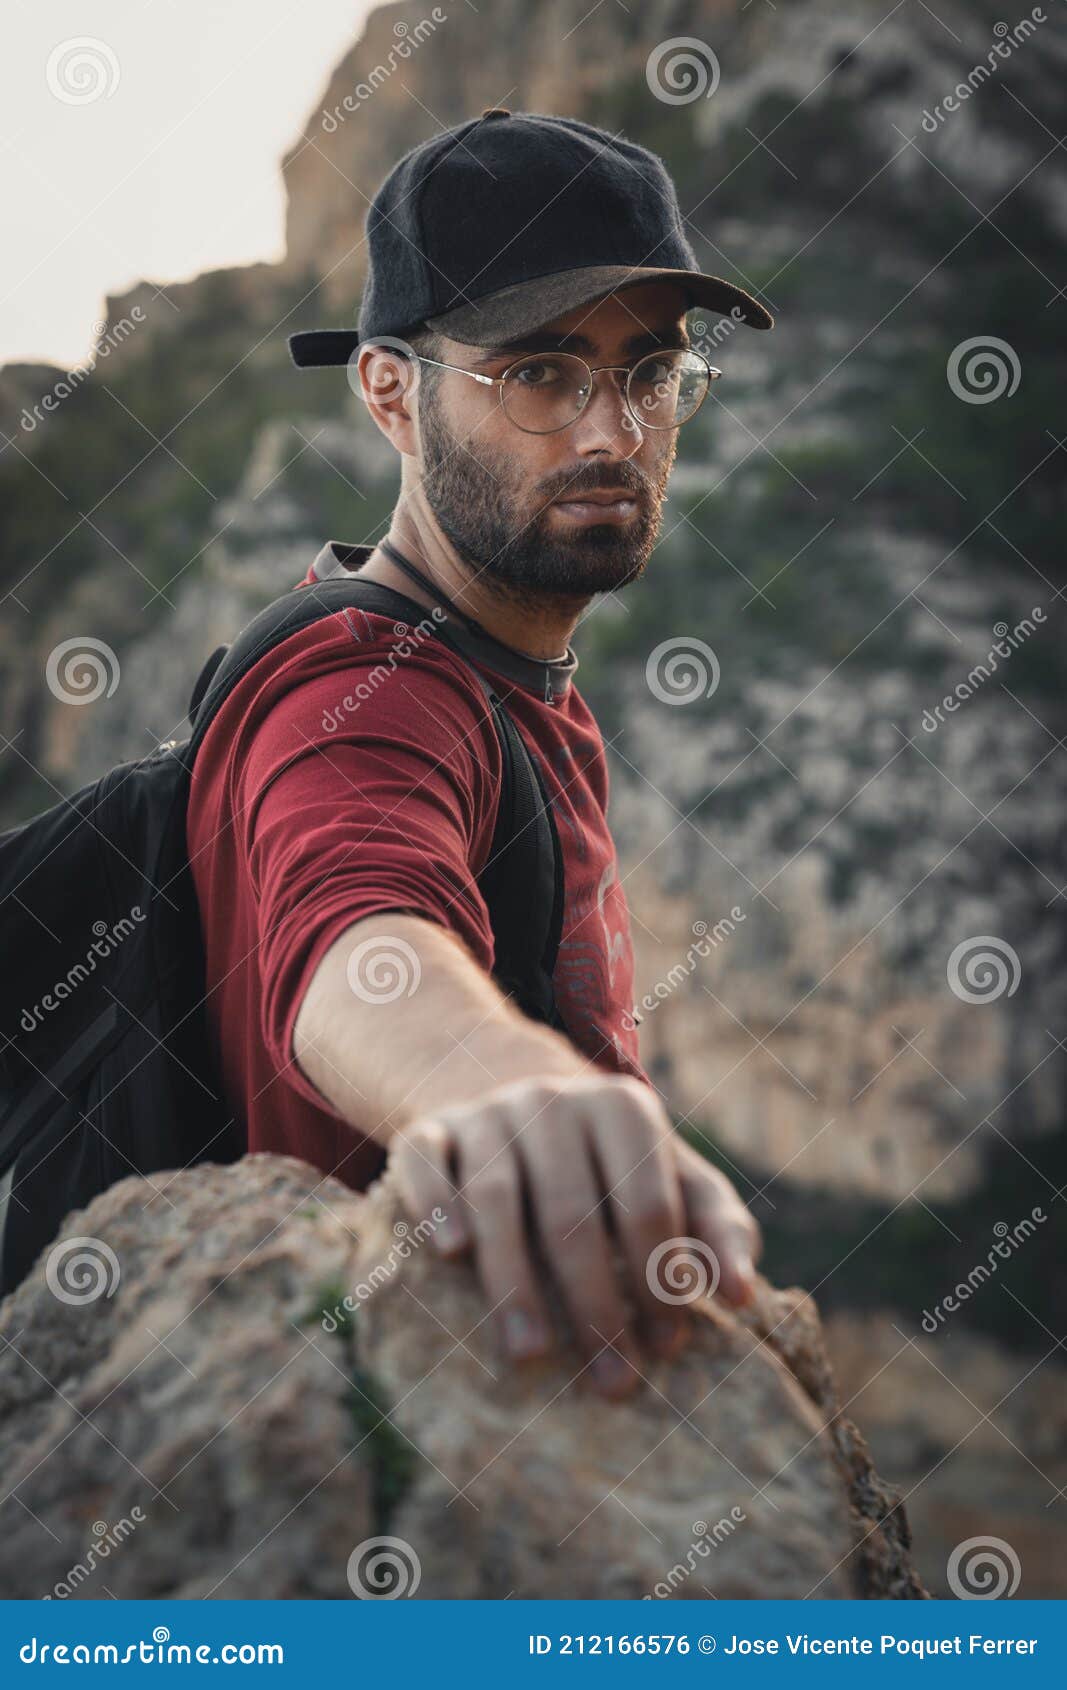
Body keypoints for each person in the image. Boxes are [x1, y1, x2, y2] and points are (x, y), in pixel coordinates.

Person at [187, 108, 774, 1399]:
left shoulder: (509, 668)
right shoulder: (360, 687)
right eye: (542, 374)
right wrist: (494, 1081)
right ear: (391, 392)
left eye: (651, 373)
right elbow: (352, 925)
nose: (615, 432)